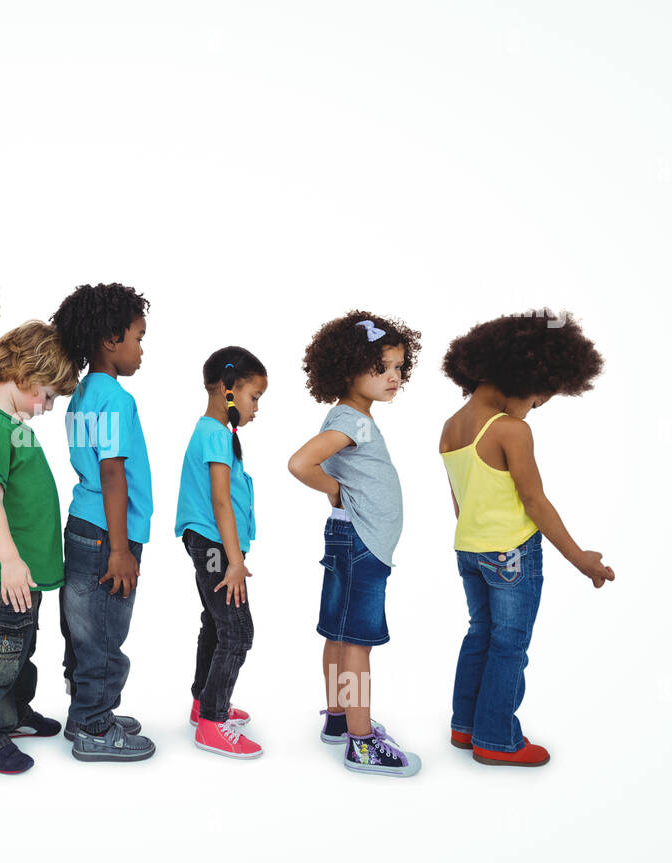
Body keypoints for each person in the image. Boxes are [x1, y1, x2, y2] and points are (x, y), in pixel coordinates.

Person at [439, 310, 613, 766]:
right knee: (509, 645)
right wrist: (580, 558)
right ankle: (496, 740)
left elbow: (461, 500)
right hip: (512, 555)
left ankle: (465, 725)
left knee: (480, 633)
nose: (533, 409)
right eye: (538, 401)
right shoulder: (510, 430)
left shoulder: (451, 427)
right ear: (524, 376)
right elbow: (535, 503)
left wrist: (476, 539)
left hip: (469, 549)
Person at [288, 310, 422, 776]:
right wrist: (336, 490)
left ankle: (339, 717)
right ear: (348, 369)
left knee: (339, 633)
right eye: (381, 368)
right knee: (357, 643)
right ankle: (361, 742)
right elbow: (301, 463)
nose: (394, 377)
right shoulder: (353, 423)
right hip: (360, 543)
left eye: (398, 368)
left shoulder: (351, 416)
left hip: (354, 540)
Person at [0, 321, 79, 774]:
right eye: (46, 394)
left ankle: (14, 714)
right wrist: (9, 559)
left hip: (26, 575)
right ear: (25, 372)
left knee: (20, 647)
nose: (47, 407)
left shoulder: (16, 423)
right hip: (4, 573)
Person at [52, 283, 156, 762]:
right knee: (106, 632)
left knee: (83, 629)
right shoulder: (114, 396)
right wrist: (120, 549)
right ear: (110, 340)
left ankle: (87, 712)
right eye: (138, 336)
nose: (141, 348)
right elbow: (112, 471)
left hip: (81, 524)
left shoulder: (82, 395)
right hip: (106, 534)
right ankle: (96, 725)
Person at [175, 347, 267, 758]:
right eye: (254, 397)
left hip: (212, 544)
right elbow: (221, 503)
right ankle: (213, 722)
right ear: (228, 388)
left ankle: (203, 703)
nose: (256, 408)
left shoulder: (217, 433)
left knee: (216, 624)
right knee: (238, 631)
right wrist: (235, 561)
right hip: (214, 547)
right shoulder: (214, 434)